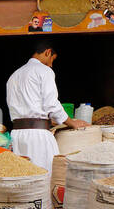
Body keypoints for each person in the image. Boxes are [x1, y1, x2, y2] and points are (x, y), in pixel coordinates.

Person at [5, 39, 84, 170]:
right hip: (37, 137)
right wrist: (72, 123)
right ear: (48, 52)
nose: (51, 65)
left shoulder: (14, 76)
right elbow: (52, 105)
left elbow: (26, 108)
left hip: (17, 135)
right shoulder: (44, 71)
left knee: (22, 176)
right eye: (53, 59)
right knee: (44, 176)